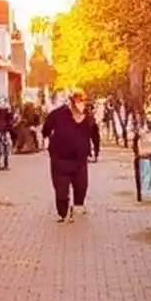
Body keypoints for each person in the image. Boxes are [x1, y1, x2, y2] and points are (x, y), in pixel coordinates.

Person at [41, 88, 101, 222]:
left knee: (81, 187)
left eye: (82, 101)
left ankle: (77, 208)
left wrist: (96, 151)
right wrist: (47, 140)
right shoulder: (58, 115)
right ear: (71, 102)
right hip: (60, 160)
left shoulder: (88, 118)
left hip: (79, 161)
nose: (81, 104)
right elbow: (46, 129)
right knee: (61, 191)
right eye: (78, 100)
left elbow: (95, 135)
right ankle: (63, 213)